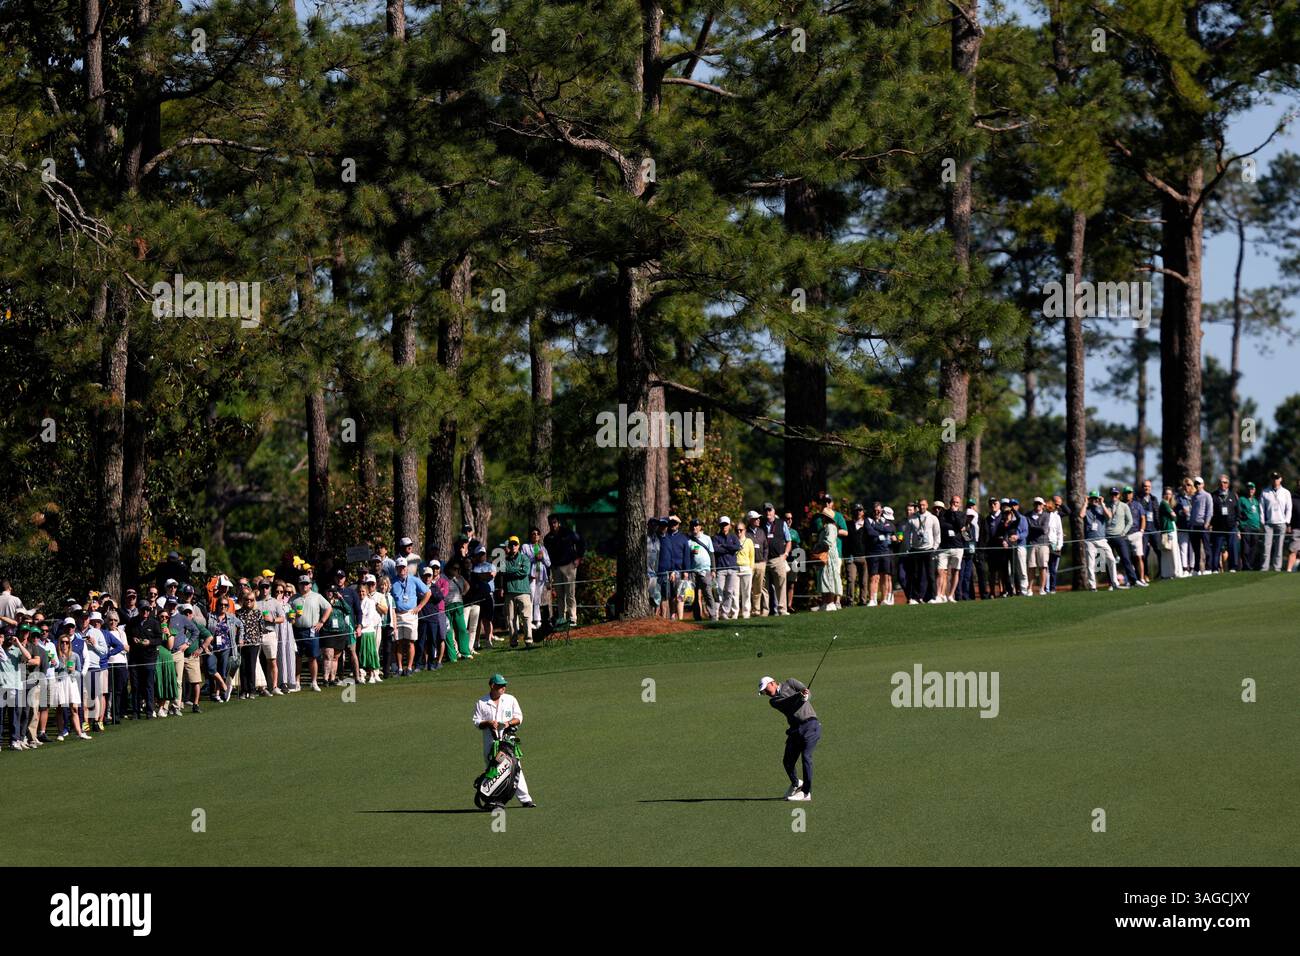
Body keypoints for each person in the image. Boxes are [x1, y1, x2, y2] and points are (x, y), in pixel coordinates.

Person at [471, 674, 536, 808]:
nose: (503, 688)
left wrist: (508, 723)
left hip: (508, 741)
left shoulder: (510, 699)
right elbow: (477, 722)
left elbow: (519, 717)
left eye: (504, 685)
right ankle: (494, 799)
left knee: (515, 767)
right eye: (500, 686)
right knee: (494, 770)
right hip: (491, 744)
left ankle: (525, 799)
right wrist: (488, 723)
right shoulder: (482, 702)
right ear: (492, 686)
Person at [758, 675, 820, 803]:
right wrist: (799, 696)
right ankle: (796, 783)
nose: (766, 693)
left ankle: (806, 793)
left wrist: (806, 695)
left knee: (806, 757)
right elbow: (788, 703)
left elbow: (805, 691)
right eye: (763, 692)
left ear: (772, 683)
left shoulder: (790, 682)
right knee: (787, 761)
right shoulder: (774, 701)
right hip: (795, 730)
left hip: (810, 725)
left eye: (766, 690)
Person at [290, 574, 333, 691]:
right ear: (298, 585)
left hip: (312, 630)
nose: (304, 586)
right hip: (297, 630)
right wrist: (292, 617)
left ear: (310, 585)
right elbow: (289, 613)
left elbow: (328, 608)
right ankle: (297, 683)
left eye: (306, 584)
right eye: (301, 584)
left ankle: (314, 682)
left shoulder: (317, 596)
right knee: (297, 657)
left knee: (313, 657)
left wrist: (322, 622)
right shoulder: (293, 598)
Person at [389, 557, 431, 674]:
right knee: (399, 642)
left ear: (406, 568)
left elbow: (428, 592)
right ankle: (400, 668)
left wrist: (419, 607)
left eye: (404, 567)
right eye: (400, 567)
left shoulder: (414, 580)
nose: (402, 569)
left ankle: (410, 667)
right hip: (397, 615)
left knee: (410, 642)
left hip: (411, 614)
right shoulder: (392, 582)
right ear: (397, 568)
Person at [543, 515, 584, 628]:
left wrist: (578, 558)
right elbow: (547, 556)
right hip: (556, 568)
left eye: (555, 522)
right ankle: (562, 619)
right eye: (551, 523)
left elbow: (581, 542)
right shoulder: (547, 538)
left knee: (570, 594)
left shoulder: (568, 532)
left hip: (569, 566)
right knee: (560, 595)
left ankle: (572, 619)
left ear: (558, 523)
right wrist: (549, 571)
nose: (553, 525)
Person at [498, 536, 534, 647]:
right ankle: (513, 642)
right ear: (508, 546)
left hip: (523, 592)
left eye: (515, 544)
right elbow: (503, 572)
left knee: (526, 617)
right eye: (511, 544)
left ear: (518, 545)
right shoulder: (503, 560)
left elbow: (525, 572)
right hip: (509, 593)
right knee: (511, 619)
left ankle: (528, 640)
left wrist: (510, 571)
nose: (513, 546)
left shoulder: (525, 558)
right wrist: (517, 569)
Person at [1083, 491, 1120, 591]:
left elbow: (1109, 516)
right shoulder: (1086, 509)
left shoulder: (1102, 508)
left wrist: (1102, 503)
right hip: (1089, 541)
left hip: (1102, 540)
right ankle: (1092, 586)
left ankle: (1115, 583)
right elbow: (1080, 515)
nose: (1094, 500)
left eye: (1096, 498)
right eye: (1092, 498)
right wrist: (1086, 502)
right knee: (1091, 564)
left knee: (1111, 560)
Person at [760, 503, 791, 616]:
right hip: (764, 560)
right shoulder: (761, 524)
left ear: (774, 511)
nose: (768, 512)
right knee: (764, 588)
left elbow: (789, 540)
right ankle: (765, 610)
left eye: (770, 510)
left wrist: (786, 554)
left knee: (781, 586)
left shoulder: (782, 523)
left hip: (778, 559)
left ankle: (782, 610)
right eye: (766, 510)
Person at [811, 500, 842, 611]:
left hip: (829, 557)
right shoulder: (825, 528)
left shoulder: (830, 527)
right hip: (825, 556)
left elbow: (828, 542)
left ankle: (830, 603)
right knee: (824, 578)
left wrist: (818, 547)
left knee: (829, 578)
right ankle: (825, 603)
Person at [936, 495, 968, 602]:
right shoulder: (943, 513)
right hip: (944, 547)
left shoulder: (962, 514)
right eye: (954, 502)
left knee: (955, 571)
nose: (955, 504)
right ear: (950, 502)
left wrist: (955, 513)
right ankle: (939, 595)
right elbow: (942, 525)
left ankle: (951, 595)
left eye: (957, 502)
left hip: (957, 547)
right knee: (941, 571)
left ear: (960, 504)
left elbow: (961, 526)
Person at [1105, 487, 1139, 589]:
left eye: (1115, 494)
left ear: (1119, 495)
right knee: (1108, 561)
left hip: (1120, 537)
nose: (1114, 496)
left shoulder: (1124, 506)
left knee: (1125, 559)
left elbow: (1130, 521)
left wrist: (1124, 532)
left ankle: (1133, 581)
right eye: (1112, 494)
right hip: (1108, 537)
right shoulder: (1106, 506)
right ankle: (1111, 583)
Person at [686, 519, 718, 621]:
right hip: (693, 571)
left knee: (707, 593)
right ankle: (697, 617)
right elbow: (686, 557)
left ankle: (713, 615)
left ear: (700, 527)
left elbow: (712, 554)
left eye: (696, 525)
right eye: (693, 526)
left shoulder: (707, 538)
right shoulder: (689, 541)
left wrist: (713, 569)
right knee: (694, 594)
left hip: (705, 570)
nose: (694, 527)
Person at [865, 502, 895, 607]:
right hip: (873, 552)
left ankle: (884, 599)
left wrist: (876, 527)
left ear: (881, 510)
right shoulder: (868, 520)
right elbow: (870, 532)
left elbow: (890, 529)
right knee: (874, 577)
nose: (877, 512)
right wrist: (882, 532)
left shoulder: (884, 520)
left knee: (885, 576)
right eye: (875, 510)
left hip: (885, 552)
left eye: (879, 510)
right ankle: (872, 600)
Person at [1261, 471, 1293, 572]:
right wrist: (1263, 522)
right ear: (1271, 479)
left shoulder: (1286, 492)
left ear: (1281, 479)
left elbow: (1289, 508)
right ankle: (1264, 568)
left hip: (1281, 523)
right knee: (1266, 547)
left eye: (1277, 478)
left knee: (1279, 548)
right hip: (1269, 523)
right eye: (1274, 478)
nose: (1275, 480)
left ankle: (1277, 568)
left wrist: (1287, 522)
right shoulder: (1265, 492)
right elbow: (1261, 508)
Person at [711, 517, 741, 620]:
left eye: (726, 524)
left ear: (729, 525)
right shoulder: (715, 537)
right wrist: (729, 548)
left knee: (729, 592)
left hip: (732, 568)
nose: (724, 526)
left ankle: (724, 613)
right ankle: (715, 614)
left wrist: (723, 546)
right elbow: (716, 549)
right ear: (720, 525)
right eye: (722, 524)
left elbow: (737, 547)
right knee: (718, 592)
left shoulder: (733, 536)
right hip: (721, 568)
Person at [1208, 475, 1239, 573]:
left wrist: (1237, 522)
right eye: (1221, 482)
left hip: (1231, 526)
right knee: (1216, 548)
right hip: (1218, 526)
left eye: (1225, 482)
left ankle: (1232, 567)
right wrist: (1211, 523)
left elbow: (1237, 510)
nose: (1223, 484)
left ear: (1228, 484)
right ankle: (1215, 568)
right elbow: (1210, 511)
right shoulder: (1213, 495)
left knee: (1232, 547)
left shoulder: (1233, 495)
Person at [522, 528, 551, 634]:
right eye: (533, 534)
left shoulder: (542, 548)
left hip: (541, 576)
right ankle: (528, 620)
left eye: (537, 534)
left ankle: (537, 620)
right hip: (531, 576)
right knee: (530, 598)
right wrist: (534, 557)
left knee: (538, 599)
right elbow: (523, 560)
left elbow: (548, 563)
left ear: (539, 536)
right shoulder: (525, 547)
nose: (535, 535)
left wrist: (542, 557)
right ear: (530, 536)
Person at [357, 574, 385, 681]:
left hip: (369, 630)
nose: (361, 593)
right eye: (360, 592)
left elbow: (369, 617)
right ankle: (362, 675)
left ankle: (374, 674)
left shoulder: (370, 602)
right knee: (362, 654)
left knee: (371, 653)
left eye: (363, 591)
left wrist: (360, 625)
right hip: (361, 632)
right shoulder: (358, 602)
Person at [1025, 497, 1051, 596]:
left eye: (1039, 504)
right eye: (1036, 504)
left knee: (1043, 567)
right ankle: (1029, 589)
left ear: (1043, 505)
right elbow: (1028, 528)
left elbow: (1044, 530)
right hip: (1032, 543)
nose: (1037, 505)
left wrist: (1032, 526)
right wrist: (1036, 527)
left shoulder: (1046, 515)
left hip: (1043, 543)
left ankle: (1042, 589)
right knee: (1031, 567)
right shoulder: (1028, 515)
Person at [845, 504, 869, 607]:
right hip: (851, 557)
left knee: (864, 581)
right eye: (856, 510)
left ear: (863, 512)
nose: (858, 512)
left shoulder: (867, 525)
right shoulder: (848, 524)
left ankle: (863, 601)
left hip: (864, 557)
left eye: (860, 510)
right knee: (851, 580)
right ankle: (850, 601)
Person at [1157, 487, 1184, 579]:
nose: (1168, 495)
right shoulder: (1164, 503)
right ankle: (1175, 572)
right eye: (1166, 493)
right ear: (1163, 494)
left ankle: (1168, 573)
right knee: (1171, 551)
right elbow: (1174, 517)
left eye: (1169, 493)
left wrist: (1174, 516)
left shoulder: (1167, 504)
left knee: (1168, 552)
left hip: (1169, 529)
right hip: (1169, 529)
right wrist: (1173, 516)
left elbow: (1174, 516)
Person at [1188, 477, 1213, 575]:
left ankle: (1208, 568)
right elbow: (1193, 511)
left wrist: (1207, 522)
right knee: (1196, 549)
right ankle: (1196, 569)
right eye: (1196, 484)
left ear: (1203, 484)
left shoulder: (1207, 495)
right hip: (1194, 526)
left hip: (1203, 525)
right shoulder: (1194, 497)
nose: (1197, 485)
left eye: (1199, 483)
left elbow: (1210, 510)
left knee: (1207, 548)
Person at [1238, 481, 1264, 570]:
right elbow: (1238, 513)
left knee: (1254, 548)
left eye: (1252, 488)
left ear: (1255, 490)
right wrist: (1240, 525)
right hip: (1246, 526)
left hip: (1255, 527)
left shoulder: (1256, 501)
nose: (1250, 490)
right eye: (1249, 488)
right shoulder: (1242, 499)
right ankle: (1246, 566)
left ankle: (1250, 566)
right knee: (1245, 548)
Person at [1124, 486, 1148, 584]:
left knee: (1139, 557)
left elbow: (1143, 518)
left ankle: (1141, 578)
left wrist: (1141, 530)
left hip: (1136, 533)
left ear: (1132, 494)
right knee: (1127, 559)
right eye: (1126, 493)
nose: (1128, 494)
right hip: (1125, 535)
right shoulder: (1121, 505)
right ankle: (1130, 579)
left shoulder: (1138, 505)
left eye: (1129, 493)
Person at [735, 522, 755, 619]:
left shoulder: (749, 541)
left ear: (745, 531)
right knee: (735, 593)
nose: (739, 532)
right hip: (735, 569)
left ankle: (746, 613)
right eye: (737, 530)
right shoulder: (733, 540)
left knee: (746, 593)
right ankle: (734, 613)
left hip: (746, 568)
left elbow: (752, 556)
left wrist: (751, 569)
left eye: (741, 530)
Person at [1045, 499, 1064, 593]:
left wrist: (1059, 545)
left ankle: (1052, 588)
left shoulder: (1056, 517)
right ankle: (1045, 588)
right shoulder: (1043, 516)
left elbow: (1060, 532)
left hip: (1054, 544)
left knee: (1052, 568)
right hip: (1044, 543)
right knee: (1044, 567)